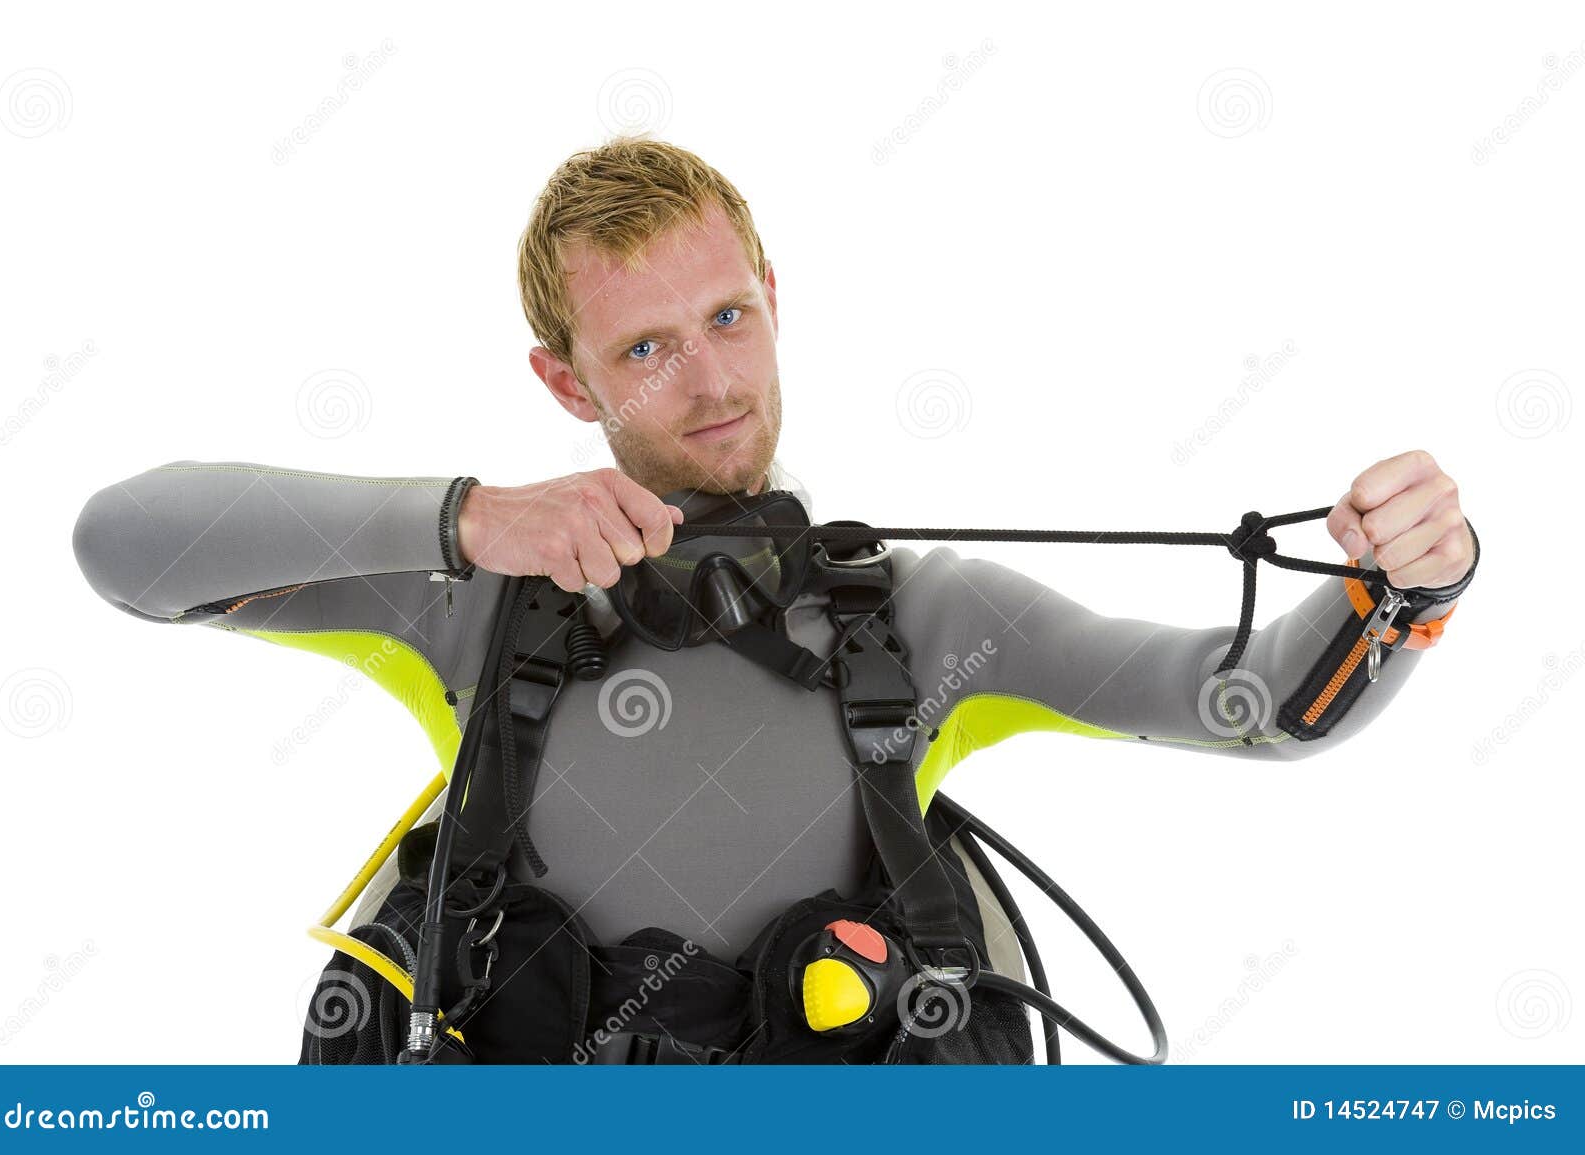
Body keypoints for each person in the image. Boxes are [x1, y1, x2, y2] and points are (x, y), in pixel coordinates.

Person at [72, 136, 1476, 1060]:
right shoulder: (470, 600)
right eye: (646, 348)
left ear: (775, 298)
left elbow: (1260, 707)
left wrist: (1405, 585)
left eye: (729, 317)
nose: (713, 383)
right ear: (566, 382)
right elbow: (121, 548)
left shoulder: (928, 622)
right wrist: (466, 519)